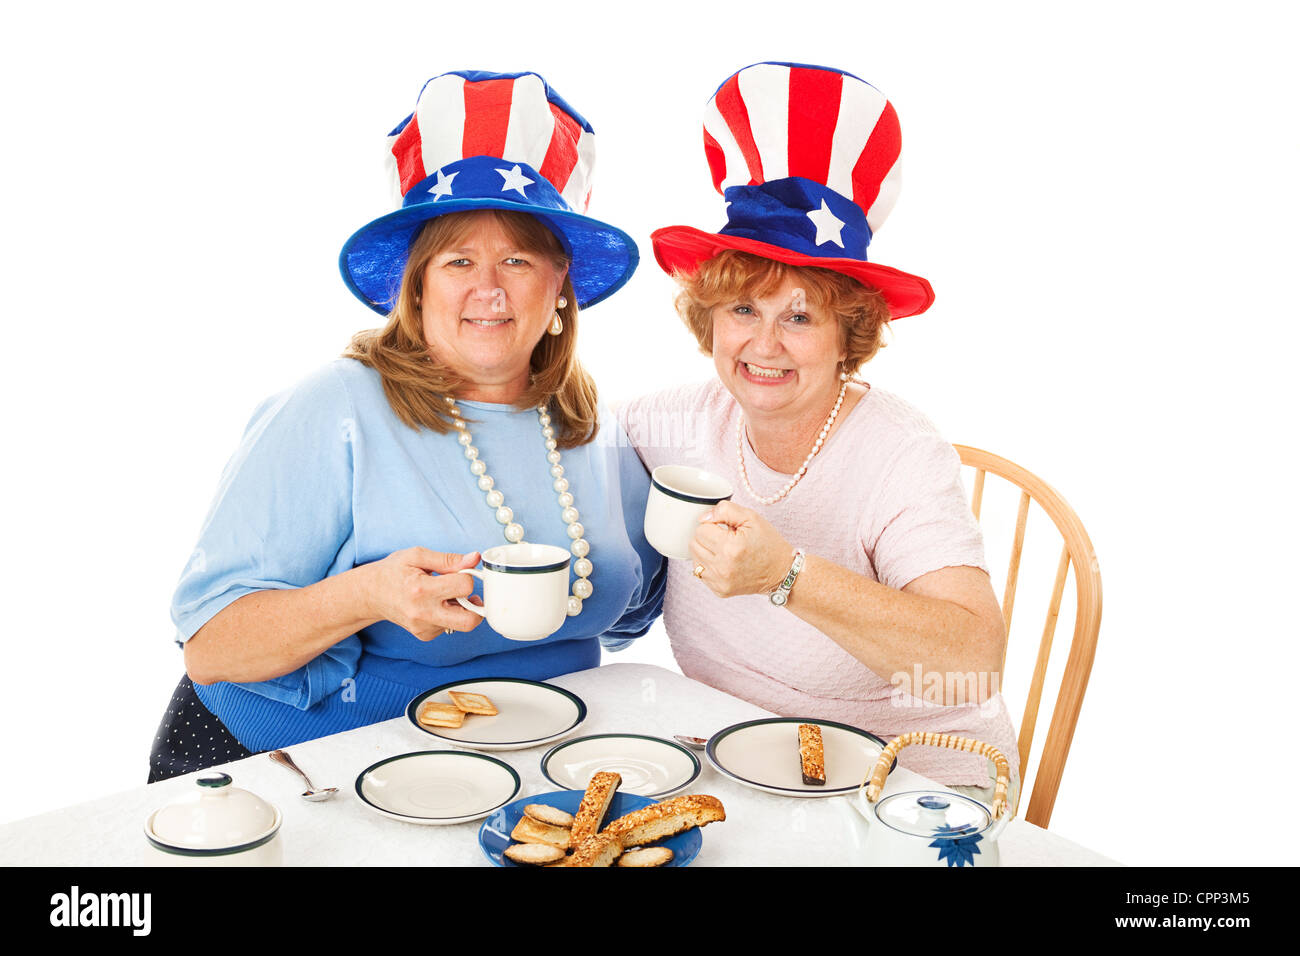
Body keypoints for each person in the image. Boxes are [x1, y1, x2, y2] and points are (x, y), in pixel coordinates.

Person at [149, 70, 664, 782]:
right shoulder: (335, 407)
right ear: (416, 288)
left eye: (517, 259)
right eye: (459, 261)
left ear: (560, 288)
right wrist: (367, 595)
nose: (489, 288)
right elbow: (210, 648)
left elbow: (640, 601)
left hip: (517, 774)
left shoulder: (594, 427)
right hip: (296, 765)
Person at [619, 62, 1018, 800]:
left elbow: (975, 658)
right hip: (742, 769)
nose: (763, 346)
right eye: (742, 310)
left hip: (909, 783)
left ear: (850, 335)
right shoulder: (667, 423)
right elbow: (550, 453)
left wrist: (786, 577)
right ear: (708, 317)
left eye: (799, 316)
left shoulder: (900, 452)